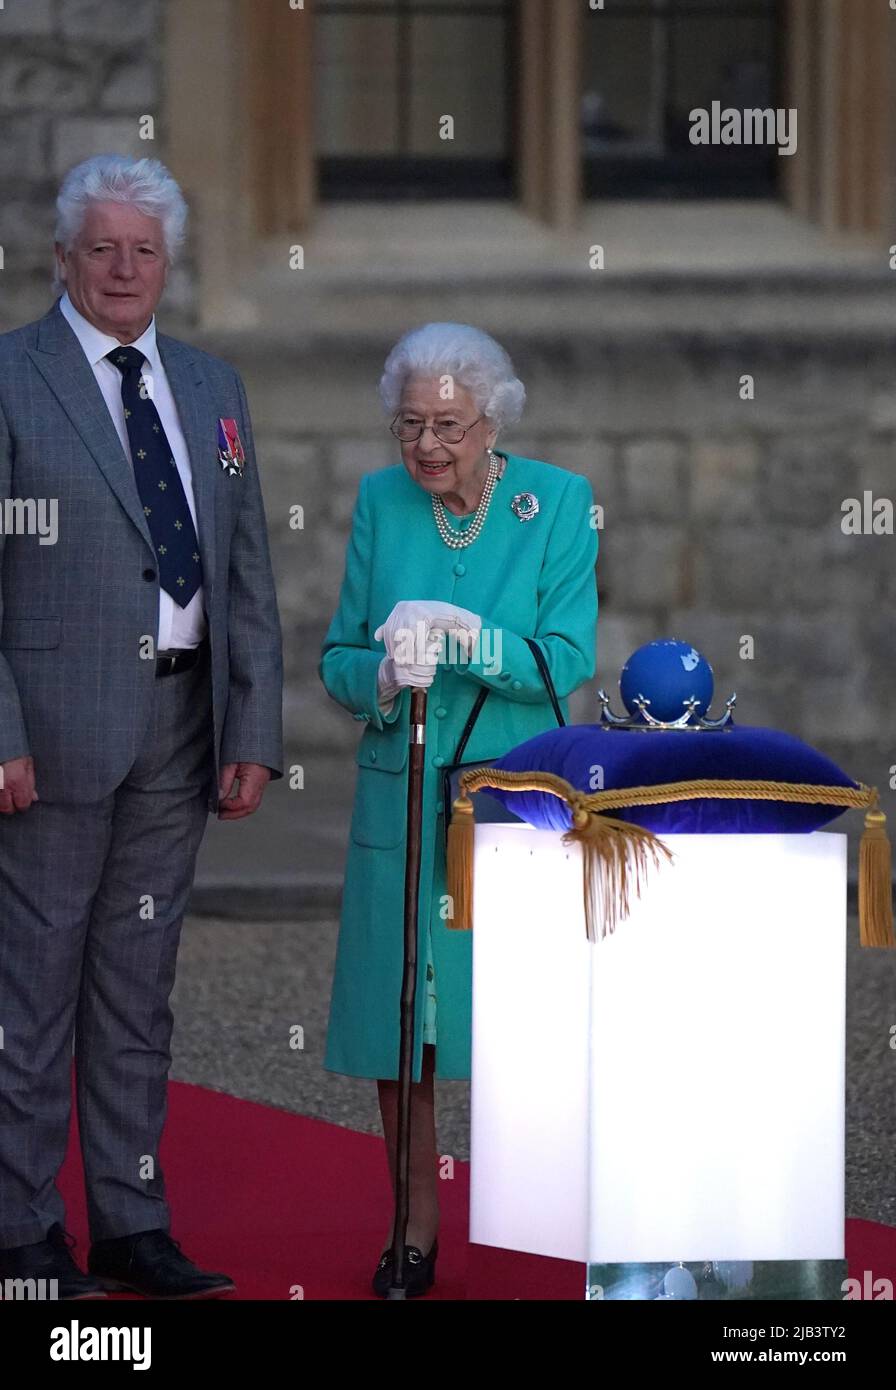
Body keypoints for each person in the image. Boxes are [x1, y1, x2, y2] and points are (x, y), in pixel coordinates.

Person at [0, 155, 283, 1299]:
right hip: (51, 736)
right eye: (103, 246)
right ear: (64, 256)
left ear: (169, 263)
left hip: (180, 729)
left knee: (136, 987)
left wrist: (251, 722)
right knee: (28, 990)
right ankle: (20, 1232)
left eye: (145, 249)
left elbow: (245, 564)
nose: (124, 268)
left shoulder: (213, 386)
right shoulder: (12, 378)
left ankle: (132, 1219)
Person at [320, 322, 598, 1296]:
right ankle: (411, 1223)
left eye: (447, 424)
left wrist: (471, 641)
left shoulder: (555, 503)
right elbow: (336, 662)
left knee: (518, 1024)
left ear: (491, 421)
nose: (425, 446)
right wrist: (386, 676)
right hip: (398, 805)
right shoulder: (379, 502)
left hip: (504, 808)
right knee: (403, 1023)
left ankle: (550, 1221)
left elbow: (566, 659)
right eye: (408, 425)